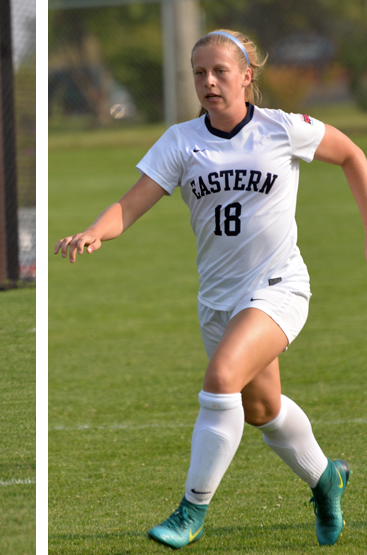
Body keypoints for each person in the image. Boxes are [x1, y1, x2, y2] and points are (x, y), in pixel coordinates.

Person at [55, 30, 367, 549]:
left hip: (278, 287)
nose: (209, 81)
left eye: (220, 71)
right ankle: (326, 479)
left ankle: (190, 512)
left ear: (247, 76)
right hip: (218, 302)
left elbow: (354, 156)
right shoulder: (180, 141)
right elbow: (130, 205)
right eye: (199, 72)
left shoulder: (283, 129)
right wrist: (94, 230)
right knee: (262, 410)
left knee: (221, 378)